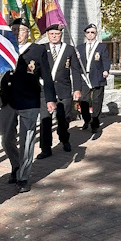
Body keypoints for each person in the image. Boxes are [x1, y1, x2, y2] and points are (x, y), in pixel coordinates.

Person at [0, 19, 56, 193]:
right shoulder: (4, 46)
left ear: (28, 33)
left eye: (21, 30)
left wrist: (50, 99)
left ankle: (23, 177)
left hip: (29, 100)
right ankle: (16, 165)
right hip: (7, 100)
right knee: (6, 138)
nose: (17, 33)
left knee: (27, 139)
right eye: (14, 29)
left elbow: (46, 75)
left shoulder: (38, 50)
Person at [37, 24, 77, 159]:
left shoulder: (69, 50)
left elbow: (76, 71)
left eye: (57, 34)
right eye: (51, 34)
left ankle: (64, 139)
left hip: (63, 90)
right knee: (45, 120)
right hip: (45, 91)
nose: (54, 36)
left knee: (63, 119)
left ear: (61, 35)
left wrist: (77, 89)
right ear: (48, 35)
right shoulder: (42, 49)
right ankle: (45, 148)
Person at [73, 23, 111, 134]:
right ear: (85, 34)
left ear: (96, 34)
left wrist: (106, 70)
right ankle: (86, 119)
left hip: (98, 76)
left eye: (92, 32)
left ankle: (95, 123)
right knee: (84, 100)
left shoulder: (101, 47)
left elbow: (106, 60)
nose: (90, 34)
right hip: (84, 78)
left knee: (96, 101)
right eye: (88, 32)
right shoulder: (79, 48)